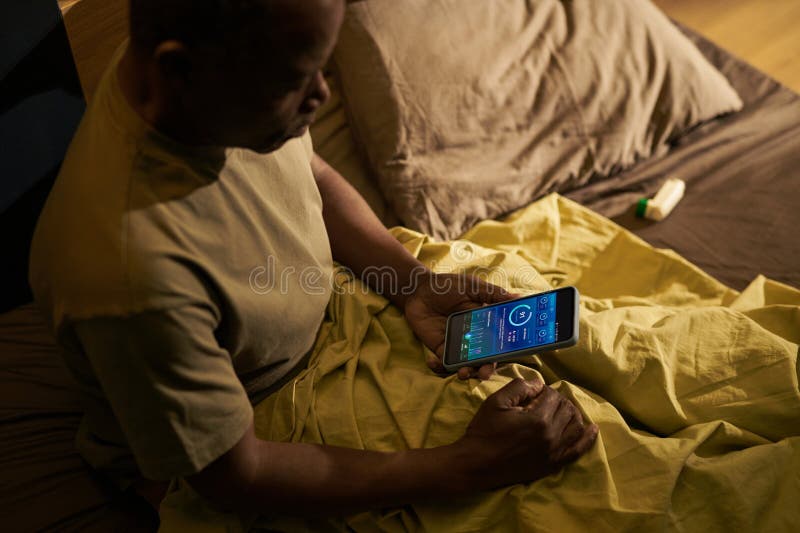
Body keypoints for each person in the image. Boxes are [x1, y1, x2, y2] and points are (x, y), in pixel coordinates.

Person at [29, 0, 598, 516]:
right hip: (270, 424)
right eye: (298, 79)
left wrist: (411, 283)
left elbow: (312, 177)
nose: (322, 96)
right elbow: (238, 475)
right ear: (178, 70)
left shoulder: (203, 81)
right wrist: (467, 465)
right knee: (587, 487)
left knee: (597, 340)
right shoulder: (128, 275)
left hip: (349, 298)